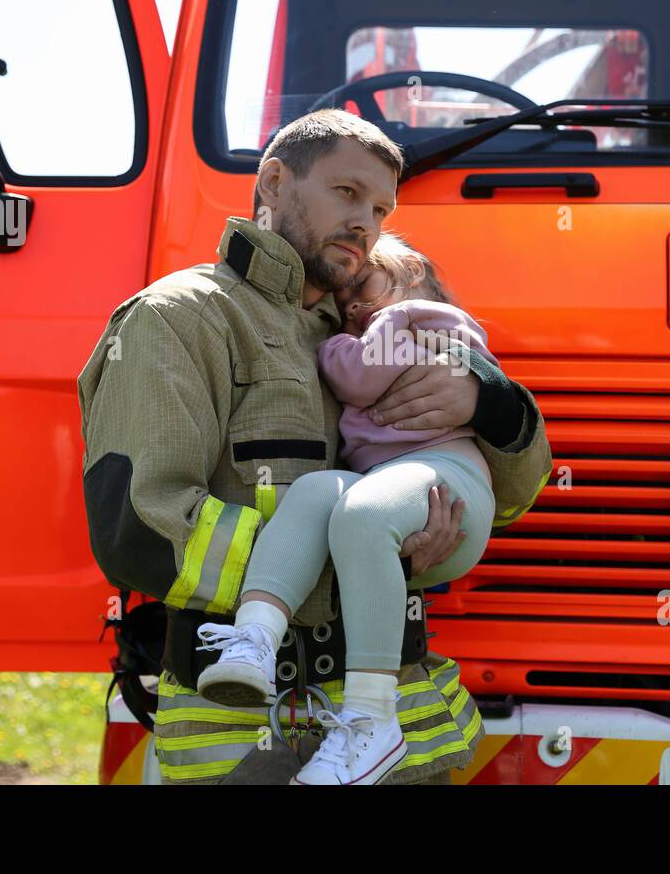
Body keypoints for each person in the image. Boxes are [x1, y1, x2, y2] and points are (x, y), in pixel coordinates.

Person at [78, 108, 551, 784]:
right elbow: (140, 532)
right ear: (273, 182)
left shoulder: (376, 326)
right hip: (242, 740)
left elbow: (512, 497)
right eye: (346, 192)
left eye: (382, 208)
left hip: (402, 733)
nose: (366, 221)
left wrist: (492, 404)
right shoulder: (176, 319)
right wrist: (364, 556)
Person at [194, 234, 499, 784]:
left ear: (415, 277)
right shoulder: (357, 340)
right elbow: (349, 370)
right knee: (314, 493)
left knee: (361, 513)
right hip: (382, 491)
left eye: (365, 285)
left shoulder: (432, 320)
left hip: (447, 481)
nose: (353, 304)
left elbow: (360, 376)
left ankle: (371, 717)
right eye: (344, 299)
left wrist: (383, 321)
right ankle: (254, 640)